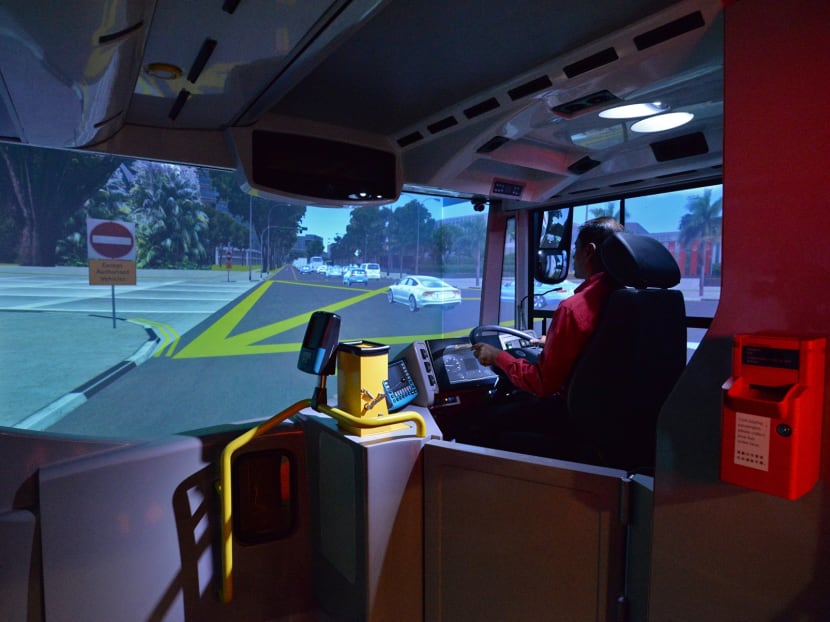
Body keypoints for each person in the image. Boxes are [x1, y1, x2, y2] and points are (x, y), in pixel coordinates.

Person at [466, 217, 624, 452]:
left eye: (576, 249)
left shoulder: (574, 308)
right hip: (615, 416)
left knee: (479, 423)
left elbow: (542, 383)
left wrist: (497, 356)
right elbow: (602, 349)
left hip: (575, 420)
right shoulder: (629, 298)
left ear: (589, 251)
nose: (572, 256)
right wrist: (552, 343)